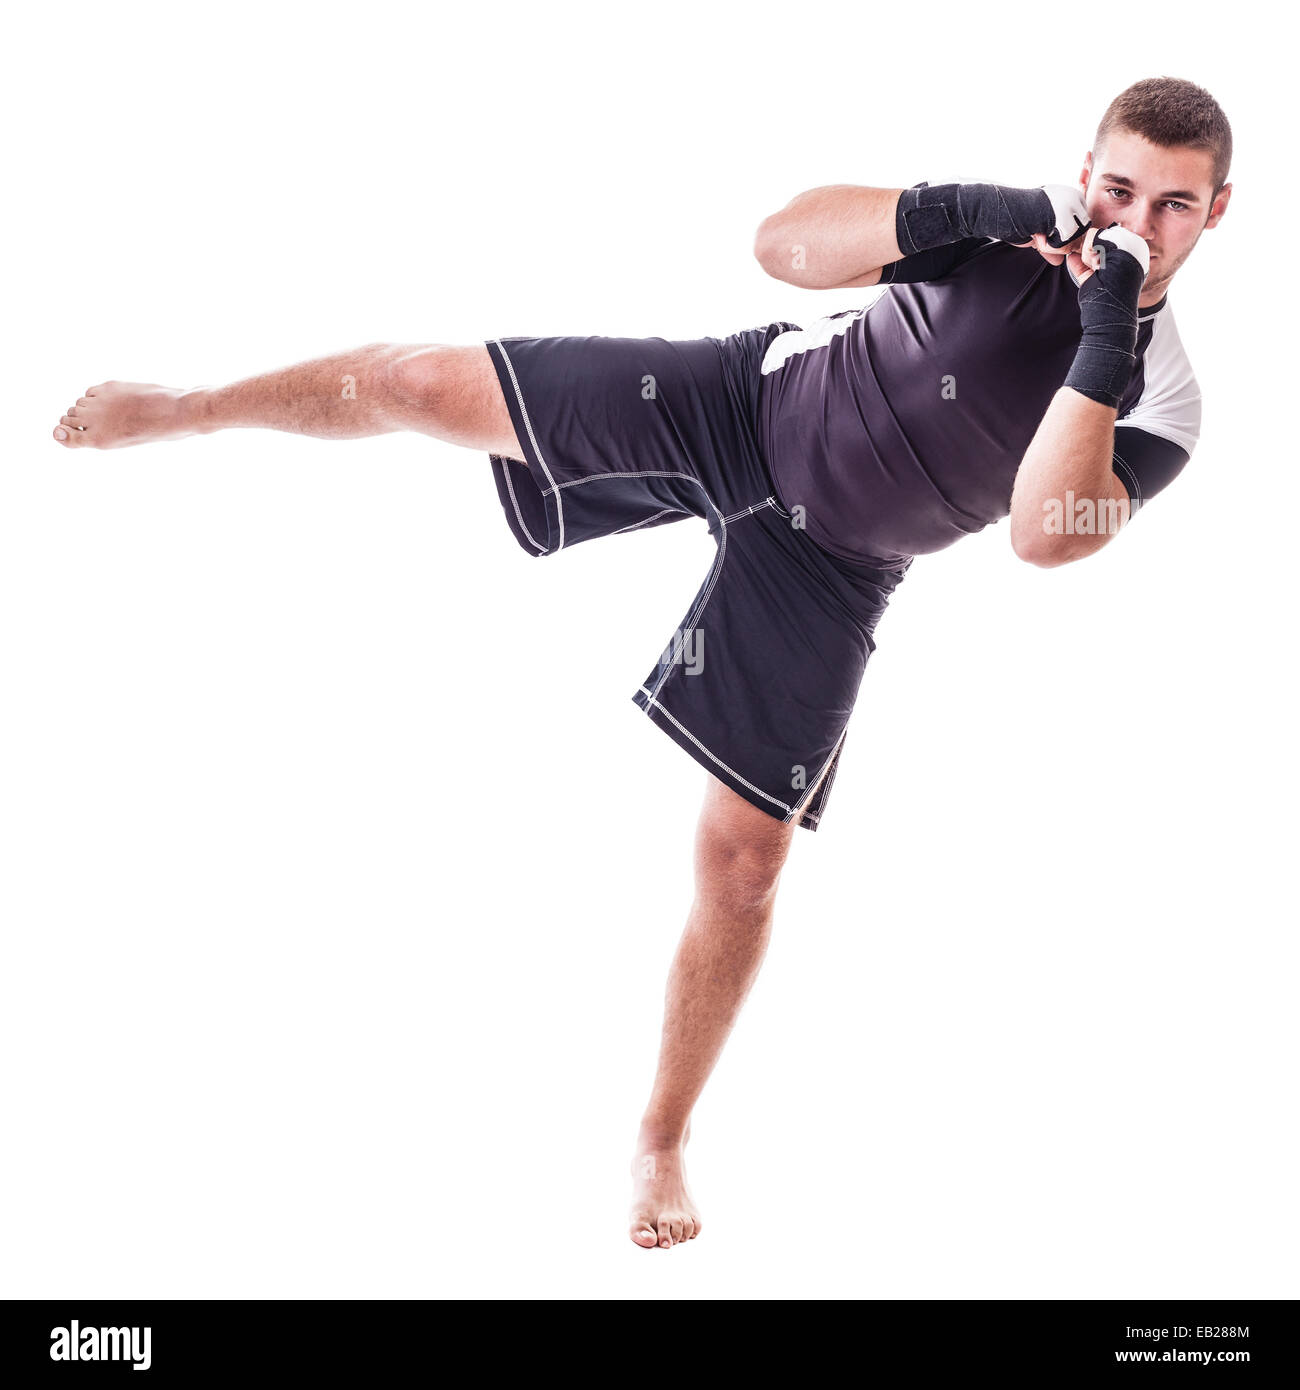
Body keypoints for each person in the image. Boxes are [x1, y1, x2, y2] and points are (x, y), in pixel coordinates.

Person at [51, 76, 1232, 1251]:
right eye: (1116, 188)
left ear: (1214, 212)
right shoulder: (994, 229)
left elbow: (1042, 534)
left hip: (834, 567)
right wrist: (975, 204)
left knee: (744, 864)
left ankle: (660, 1137)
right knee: (422, 381)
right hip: (735, 405)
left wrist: (1099, 331)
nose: (1135, 223)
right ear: (1086, 169)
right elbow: (782, 247)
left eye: (1171, 207)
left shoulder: (1161, 395)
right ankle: (186, 405)